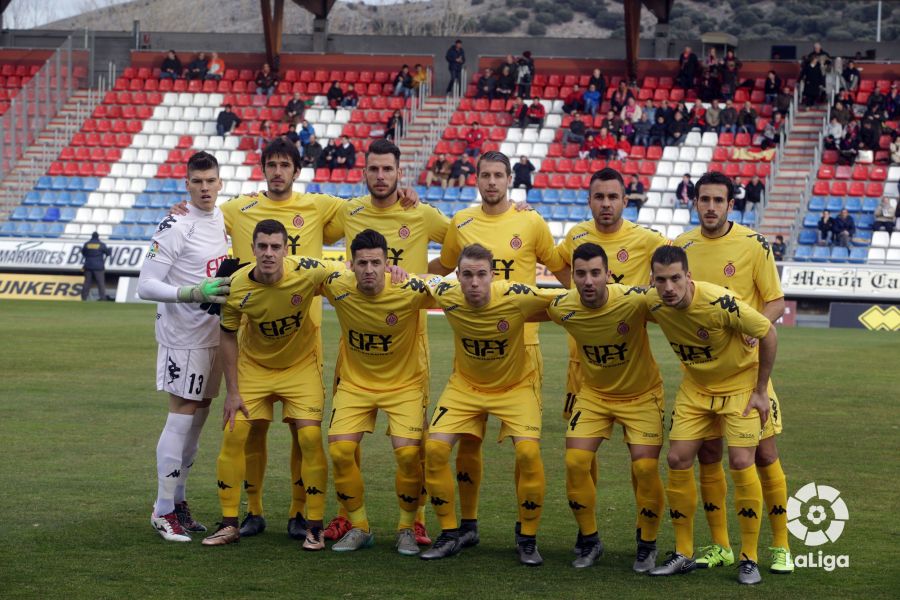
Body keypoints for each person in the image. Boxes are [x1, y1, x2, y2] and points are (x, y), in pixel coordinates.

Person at [426, 151, 569, 557]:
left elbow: (559, 268)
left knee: (526, 450)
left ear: (510, 180)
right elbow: (444, 266)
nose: (491, 182)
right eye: (485, 175)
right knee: (466, 446)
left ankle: (526, 537)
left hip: (521, 350)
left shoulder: (531, 220)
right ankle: (463, 529)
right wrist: (407, 274)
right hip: (472, 354)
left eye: (498, 176)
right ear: (476, 179)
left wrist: (594, 300)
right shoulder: (462, 222)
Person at [322, 139, 451, 546]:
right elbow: (308, 233)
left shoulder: (422, 213)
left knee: (410, 449)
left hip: (407, 344)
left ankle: (411, 522)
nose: (381, 177)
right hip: (357, 348)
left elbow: (458, 248)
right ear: (364, 171)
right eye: (374, 169)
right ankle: (350, 518)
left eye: (388, 170)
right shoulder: (349, 211)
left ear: (400, 173)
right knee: (343, 446)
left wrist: (413, 276)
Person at [674, 170, 793, 575]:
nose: (710, 207)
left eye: (717, 201)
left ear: (730, 204)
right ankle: (721, 545)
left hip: (747, 372)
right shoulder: (681, 247)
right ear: (695, 202)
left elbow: (776, 300)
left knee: (762, 453)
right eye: (703, 199)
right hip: (704, 375)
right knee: (707, 454)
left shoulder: (753, 245)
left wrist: (754, 328)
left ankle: (779, 545)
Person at [200, 219, 345, 547]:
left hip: (299, 367)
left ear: (286, 250)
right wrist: (232, 392)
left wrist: (394, 274)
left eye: (275, 247)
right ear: (252, 250)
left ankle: (311, 524)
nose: (268, 253)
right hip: (255, 367)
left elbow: (348, 272)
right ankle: (231, 522)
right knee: (235, 432)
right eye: (262, 247)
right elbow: (226, 335)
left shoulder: (308, 271)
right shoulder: (235, 284)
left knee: (308, 436)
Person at [645, 245, 776, 586]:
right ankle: (684, 553)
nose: (669, 287)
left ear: (688, 276)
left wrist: (761, 390)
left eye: (675, 278)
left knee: (741, 461)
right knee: (677, 458)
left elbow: (768, 332)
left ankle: (750, 558)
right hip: (697, 388)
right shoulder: (653, 301)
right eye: (661, 280)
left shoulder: (720, 301)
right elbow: (616, 297)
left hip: (740, 386)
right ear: (653, 281)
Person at [419, 244, 555, 565]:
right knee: (435, 449)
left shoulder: (515, 295)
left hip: (515, 386)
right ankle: (454, 532)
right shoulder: (447, 292)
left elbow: (560, 302)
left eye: (481, 275)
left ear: (492, 275)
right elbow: (419, 280)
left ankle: (527, 538)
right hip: (465, 386)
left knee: (528, 453)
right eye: (467, 275)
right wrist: (394, 272)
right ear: (458, 276)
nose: (474, 282)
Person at [554, 168, 667, 551]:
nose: (605, 204)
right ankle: (586, 529)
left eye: (612, 197)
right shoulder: (575, 237)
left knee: (643, 464)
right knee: (580, 457)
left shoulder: (648, 240)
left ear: (625, 200)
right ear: (589, 200)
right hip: (582, 365)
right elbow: (559, 273)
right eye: (598, 197)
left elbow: (674, 270)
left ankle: (645, 534)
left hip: (630, 360)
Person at [540, 242, 665, 572]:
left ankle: (647, 544)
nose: (588, 280)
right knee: (575, 461)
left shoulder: (634, 300)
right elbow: (520, 306)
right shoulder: (562, 307)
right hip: (594, 395)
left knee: (644, 469)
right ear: (573, 278)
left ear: (608, 275)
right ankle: (590, 539)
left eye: (596, 273)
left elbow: (677, 307)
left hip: (641, 396)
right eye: (580, 274)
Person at [322, 230, 436, 554]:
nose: (369, 269)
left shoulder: (408, 289)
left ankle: (406, 528)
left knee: (409, 454)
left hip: (404, 385)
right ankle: (360, 527)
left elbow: (455, 293)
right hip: (356, 383)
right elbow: (297, 274)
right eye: (362, 263)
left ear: (388, 264)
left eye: (376, 262)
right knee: (341, 451)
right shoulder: (336, 285)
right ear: (351, 265)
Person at [137, 151, 230, 542]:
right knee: (182, 415)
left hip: (214, 336)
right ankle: (162, 510)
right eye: (198, 182)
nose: (205, 188)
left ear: (220, 183)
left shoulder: (224, 218)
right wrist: (191, 292)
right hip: (183, 338)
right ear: (186, 184)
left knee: (197, 419)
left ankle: (177, 501)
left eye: (211, 181)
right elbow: (145, 285)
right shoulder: (175, 224)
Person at [80, 231, 111, 301]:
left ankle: (83, 297)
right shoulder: (101, 244)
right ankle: (102, 298)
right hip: (98, 267)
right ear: (98, 237)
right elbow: (108, 253)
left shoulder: (87, 244)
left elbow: (83, 252)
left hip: (88, 266)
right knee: (100, 283)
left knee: (87, 283)